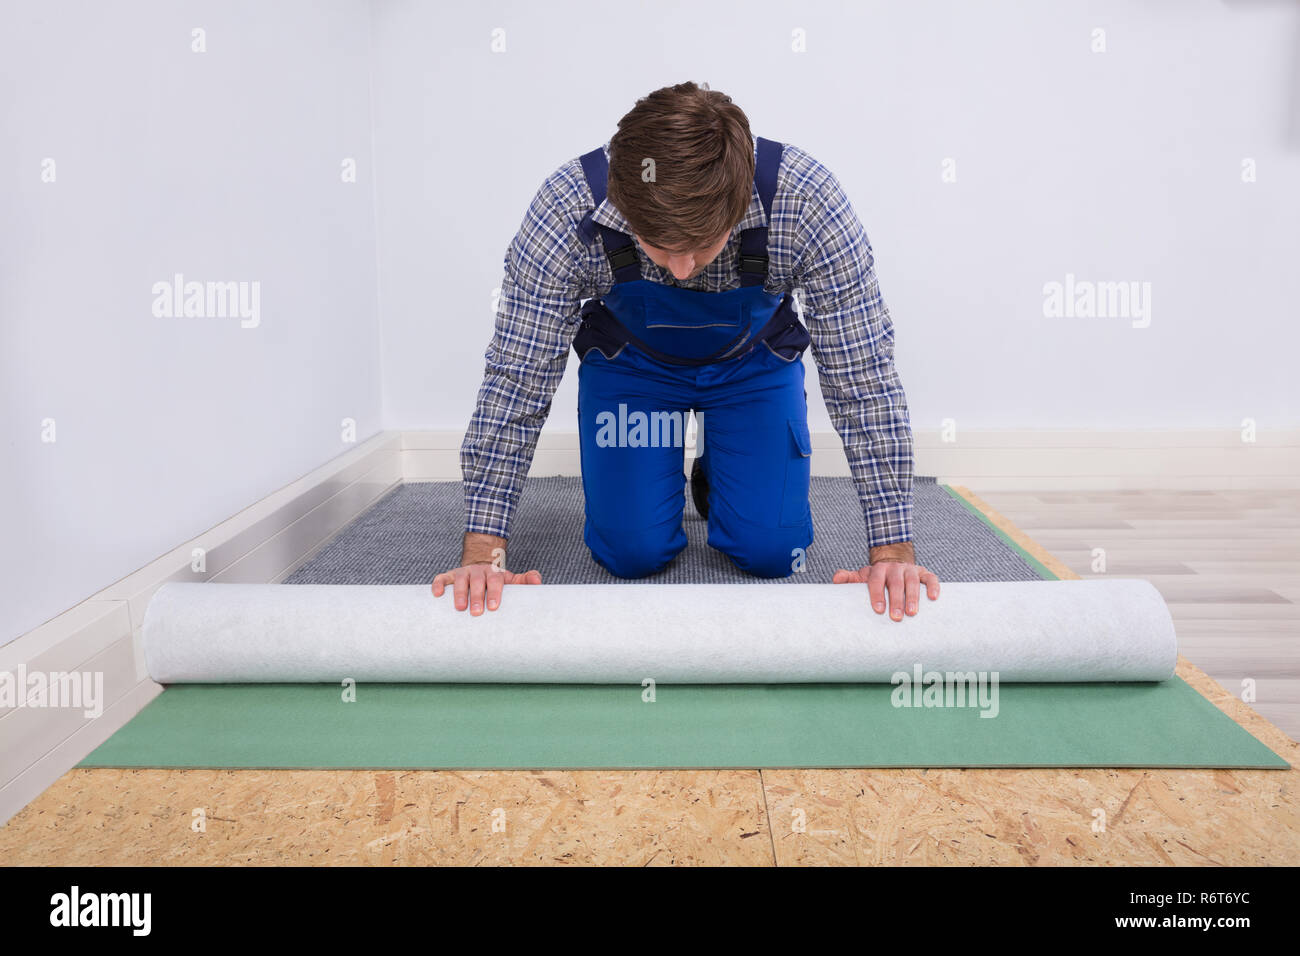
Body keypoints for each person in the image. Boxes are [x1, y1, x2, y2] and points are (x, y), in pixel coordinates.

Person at [434, 82, 939, 621]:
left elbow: (863, 376)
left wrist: (892, 549)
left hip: (753, 366)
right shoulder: (565, 209)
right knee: (631, 553)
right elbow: (517, 378)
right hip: (634, 368)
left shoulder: (807, 200)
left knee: (771, 553)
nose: (680, 270)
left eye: (702, 245)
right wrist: (484, 552)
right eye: (659, 246)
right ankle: (661, 468)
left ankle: (719, 463)